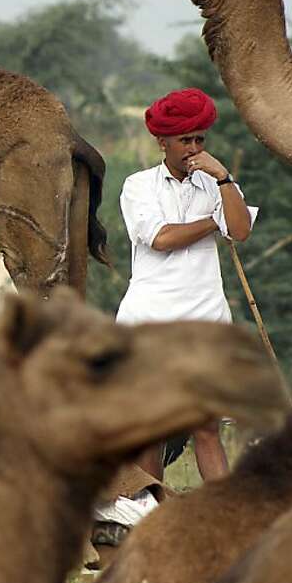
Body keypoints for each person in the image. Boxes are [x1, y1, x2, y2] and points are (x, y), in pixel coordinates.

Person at [117, 88, 256, 482]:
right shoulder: (139, 185)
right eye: (185, 140)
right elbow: (161, 238)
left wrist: (224, 177)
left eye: (200, 139)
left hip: (206, 319)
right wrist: (214, 222)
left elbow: (241, 230)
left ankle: (222, 517)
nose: (194, 148)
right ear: (162, 142)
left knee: (206, 429)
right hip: (149, 321)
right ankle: (151, 518)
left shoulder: (216, 183)